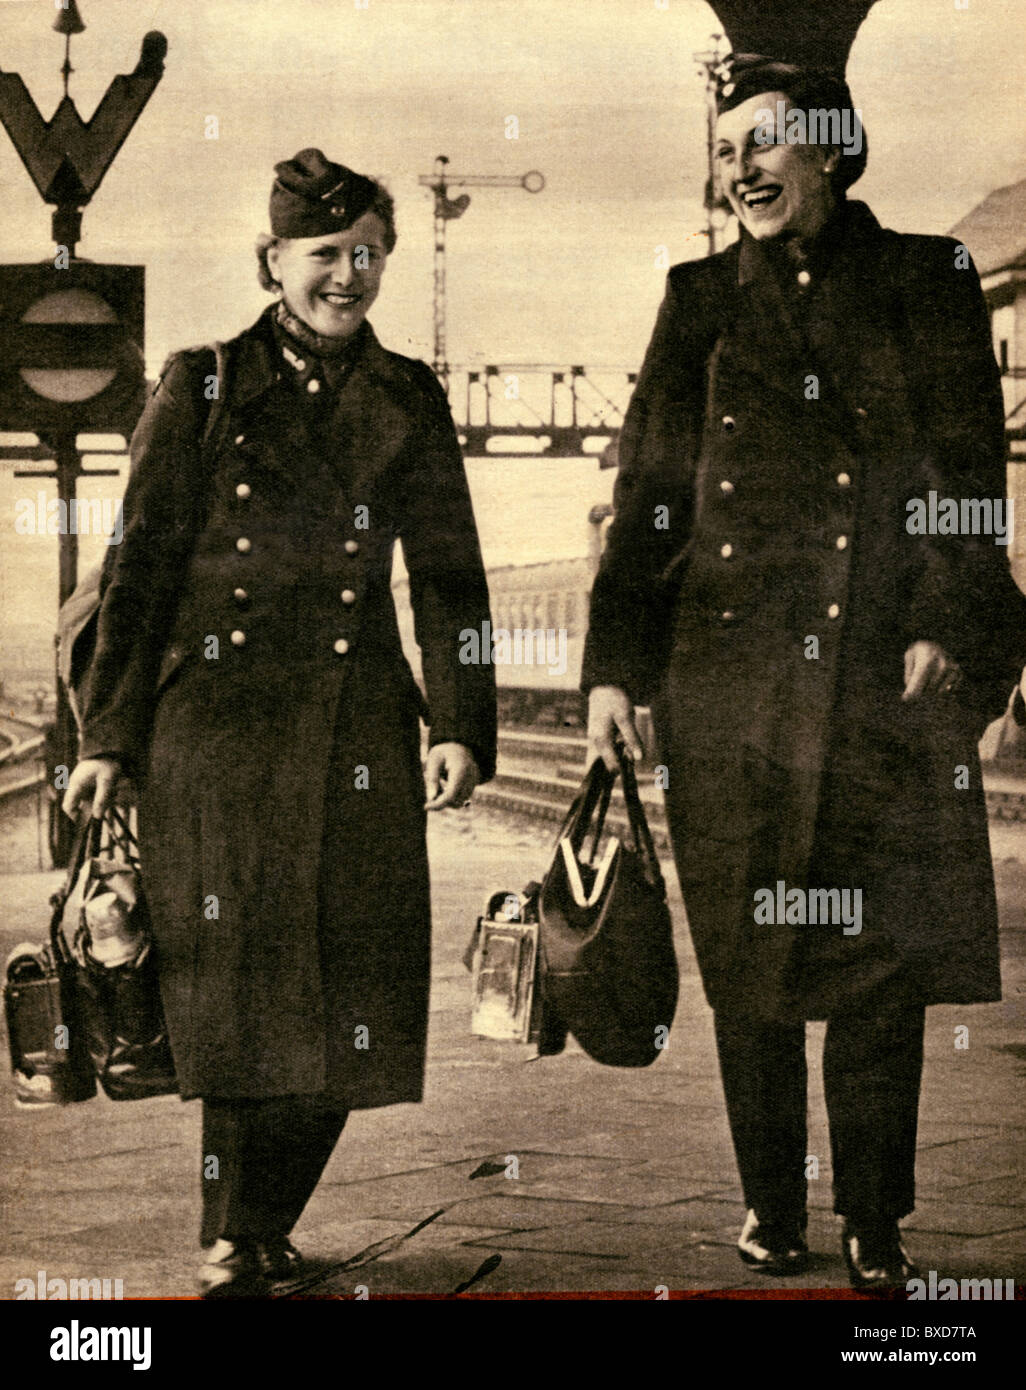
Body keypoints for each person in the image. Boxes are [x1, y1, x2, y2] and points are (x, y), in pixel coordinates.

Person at [582, 34, 1026, 1288]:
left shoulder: (929, 279)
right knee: (758, 969)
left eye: (764, 141)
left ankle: (876, 1222)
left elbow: (965, 479)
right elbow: (651, 500)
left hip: (884, 682)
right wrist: (618, 664)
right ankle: (774, 1205)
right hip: (735, 691)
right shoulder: (699, 297)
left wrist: (949, 621)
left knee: (880, 974)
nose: (742, 169)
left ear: (833, 146)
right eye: (726, 151)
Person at [64, 148, 497, 1297]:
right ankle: (234, 1230)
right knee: (236, 993)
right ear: (274, 262)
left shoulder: (408, 395)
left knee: (356, 993)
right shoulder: (201, 381)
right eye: (324, 257)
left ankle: (258, 1217)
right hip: (215, 730)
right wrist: (107, 739)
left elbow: (451, 574)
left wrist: (458, 720)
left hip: (357, 727)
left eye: (366, 256)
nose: (345, 278)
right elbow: (137, 571)